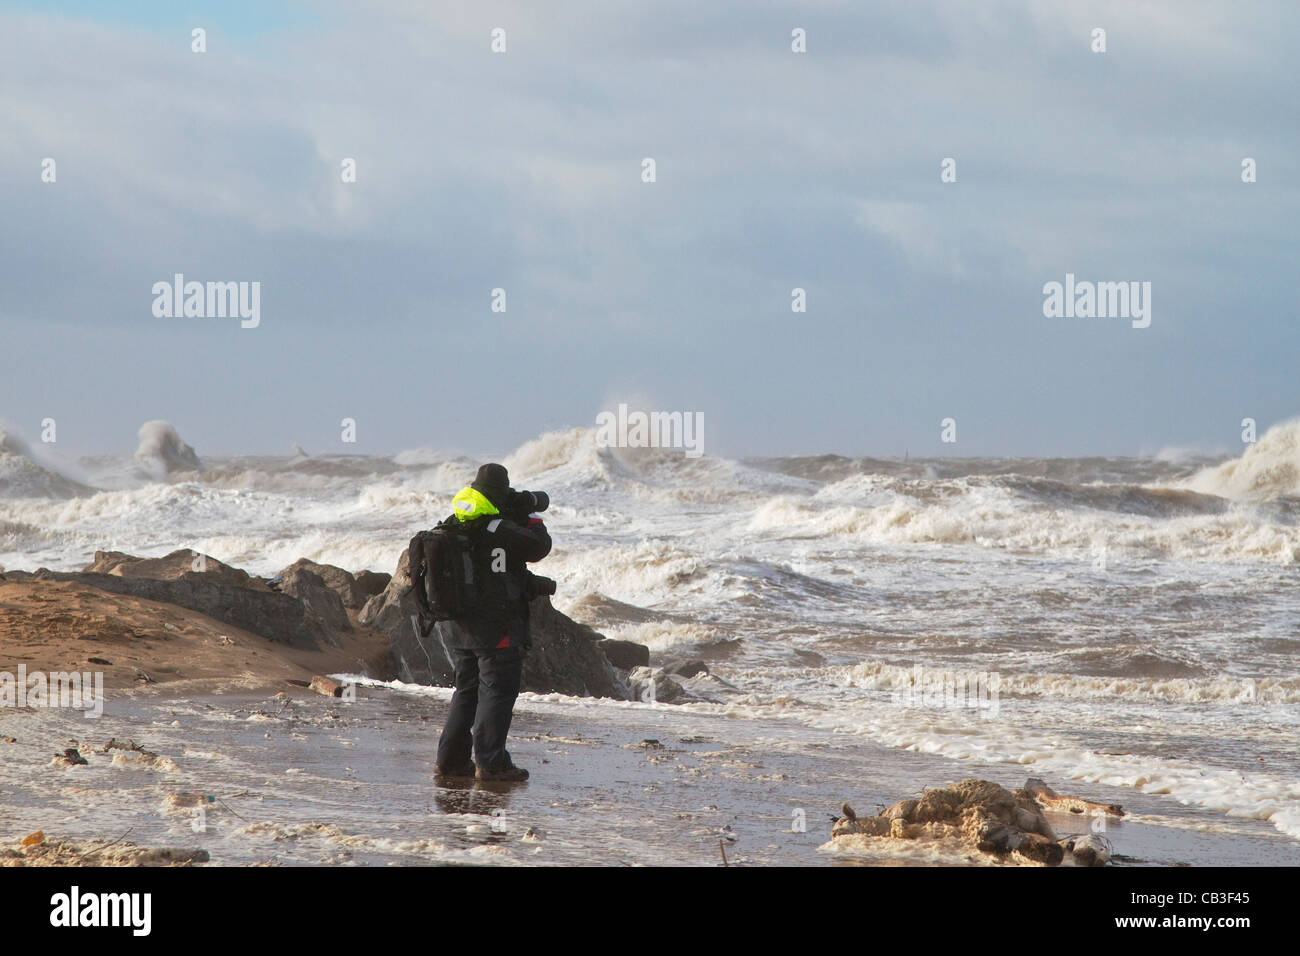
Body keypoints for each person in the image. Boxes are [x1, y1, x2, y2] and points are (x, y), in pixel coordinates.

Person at [432, 463, 552, 782]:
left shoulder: (456, 521)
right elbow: (540, 546)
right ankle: (492, 762)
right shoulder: (497, 527)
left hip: (459, 625)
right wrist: (532, 518)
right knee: (497, 692)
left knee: (467, 690)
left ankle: (451, 760)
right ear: (501, 493)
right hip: (495, 626)